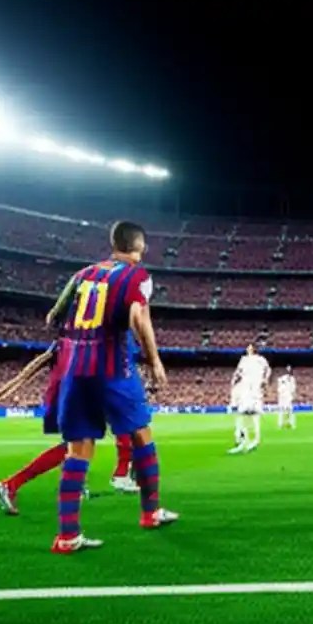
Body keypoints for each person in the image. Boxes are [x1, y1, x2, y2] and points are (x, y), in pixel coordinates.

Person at [53, 220, 178, 554]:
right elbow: (138, 318)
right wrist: (154, 360)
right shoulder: (137, 276)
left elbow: (54, 317)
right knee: (141, 435)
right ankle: (150, 512)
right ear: (140, 247)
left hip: (74, 368)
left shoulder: (82, 275)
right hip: (112, 366)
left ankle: (67, 536)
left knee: (78, 449)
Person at [0, 340, 136, 517]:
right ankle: (11, 485)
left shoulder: (66, 340)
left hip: (64, 396)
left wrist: (9, 387)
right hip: (75, 396)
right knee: (79, 444)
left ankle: (76, 485)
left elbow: (41, 361)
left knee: (78, 445)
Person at [229, 344, 271, 453]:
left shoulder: (261, 359)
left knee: (253, 416)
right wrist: (234, 380)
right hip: (246, 389)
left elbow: (268, 370)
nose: (249, 349)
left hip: (255, 390)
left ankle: (254, 440)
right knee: (242, 415)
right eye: (248, 347)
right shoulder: (244, 359)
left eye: (251, 347)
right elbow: (238, 372)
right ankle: (242, 441)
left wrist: (265, 380)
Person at [277, 365, 297, 429]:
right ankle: (281, 424)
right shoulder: (282, 378)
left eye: (290, 370)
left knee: (290, 411)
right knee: (281, 411)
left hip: (288, 397)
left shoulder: (292, 379)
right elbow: (279, 388)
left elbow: (293, 389)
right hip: (282, 397)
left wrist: (293, 396)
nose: (289, 371)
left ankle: (290, 423)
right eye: (288, 369)